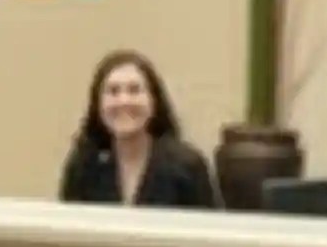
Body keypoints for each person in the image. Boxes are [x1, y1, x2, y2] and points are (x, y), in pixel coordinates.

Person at [59, 50, 219, 209]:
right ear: (98, 104)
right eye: (113, 91)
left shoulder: (187, 166)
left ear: (154, 100)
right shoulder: (83, 164)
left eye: (134, 90)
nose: (124, 101)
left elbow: (209, 229)